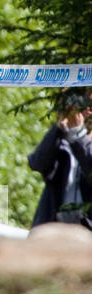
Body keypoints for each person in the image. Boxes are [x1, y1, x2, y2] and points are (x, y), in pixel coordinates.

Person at [27, 88, 92, 229]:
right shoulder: (63, 138)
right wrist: (59, 126)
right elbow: (37, 163)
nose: (86, 111)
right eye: (82, 105)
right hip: (54, 229)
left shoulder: (78, 138)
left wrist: (78, 135)